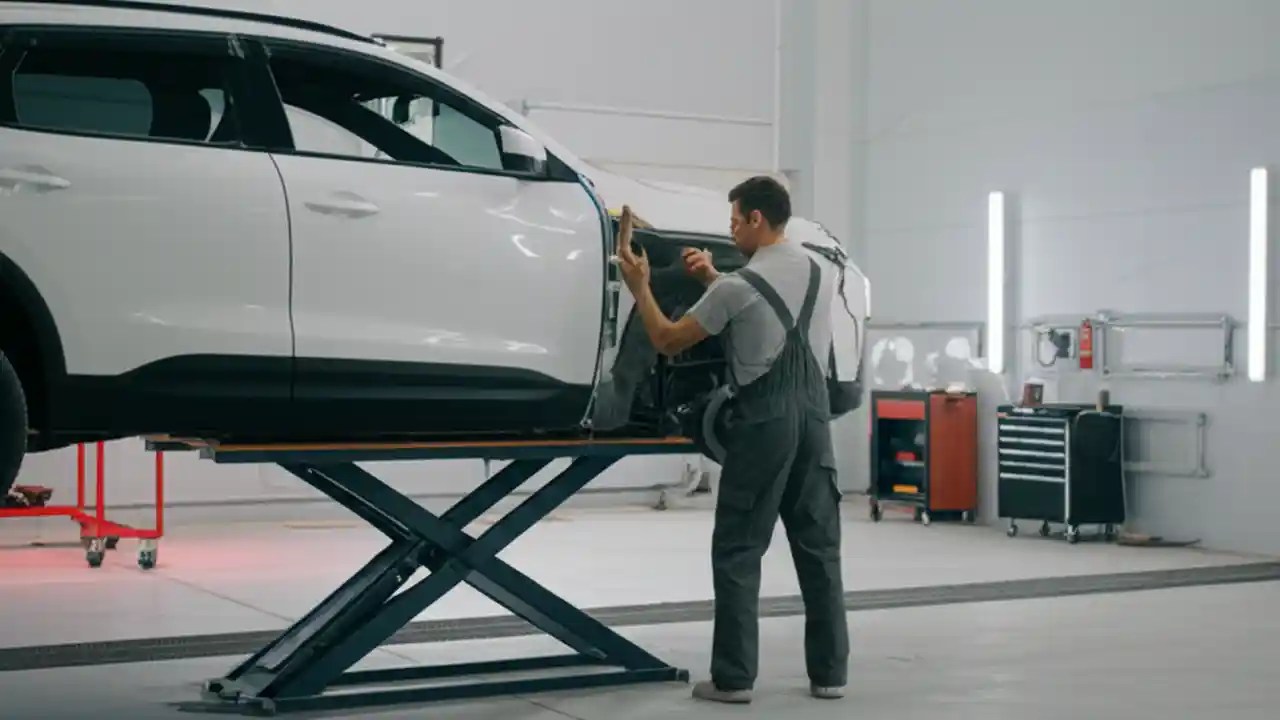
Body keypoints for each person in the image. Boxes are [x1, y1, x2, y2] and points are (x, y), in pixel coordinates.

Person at [613, 176, 849, 704]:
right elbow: (768, 309)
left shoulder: (736, 287)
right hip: (814, 417)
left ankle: (734, 679)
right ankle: (830, 675)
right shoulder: (819, 271)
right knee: (819, 548)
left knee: (740, 548)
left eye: (734, 221)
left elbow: (667, 339)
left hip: (765, 420)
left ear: (756, 220)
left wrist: (640, 286)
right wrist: (715, 277)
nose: (731, 229)